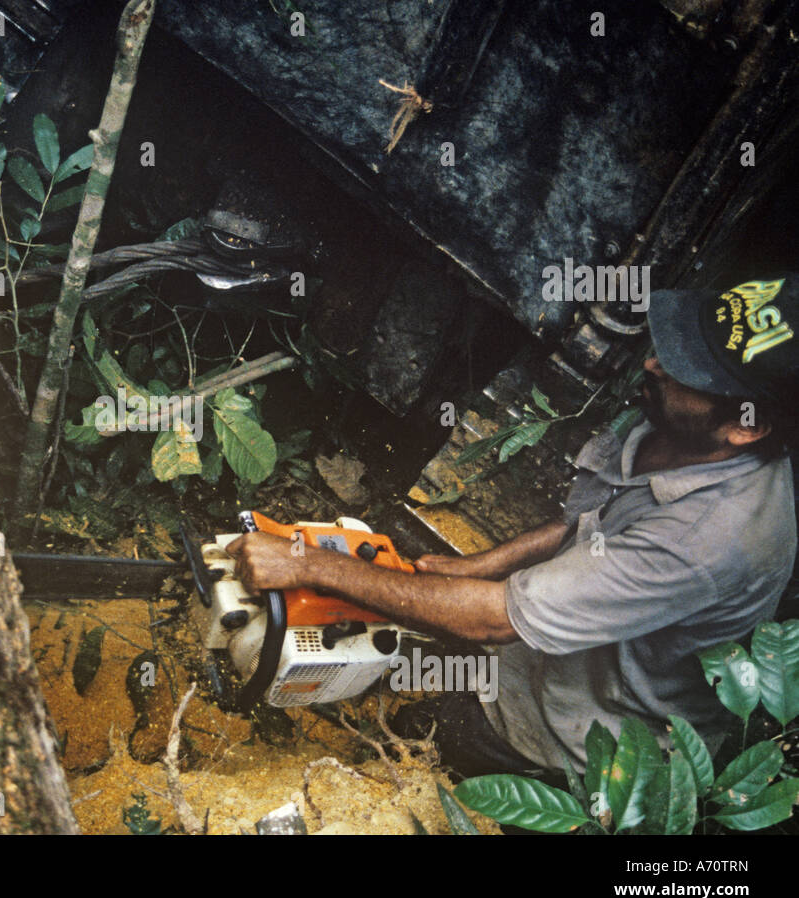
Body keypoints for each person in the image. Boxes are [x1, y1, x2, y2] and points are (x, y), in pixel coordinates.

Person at [227, 275, 799, 776]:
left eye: (684, 371)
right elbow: (588, 526)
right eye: (669, 349)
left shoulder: (708, 540)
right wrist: (481, 566)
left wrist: (312, 565)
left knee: (427, 745)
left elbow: (497, 619)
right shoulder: (677, 430)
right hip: (537, 652)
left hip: (580, 730)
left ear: (747, 427)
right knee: (414, 684)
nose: (653, 365)